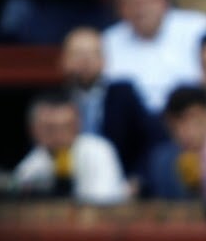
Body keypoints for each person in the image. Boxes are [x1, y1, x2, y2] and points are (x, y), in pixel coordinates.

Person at [101, 0, 206, 112]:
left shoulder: (197, 28)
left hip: (191, 118)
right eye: (131, 1)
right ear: (120, 8)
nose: (140, 8)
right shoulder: (108, 42)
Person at [59, 26, 158, 183]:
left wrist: (138, 180)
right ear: (63, 60)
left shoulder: (124, 95)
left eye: (92, 54)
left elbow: (150, 143)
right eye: (78, 54)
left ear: (104, 59)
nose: (85, 61)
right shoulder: (54, 99)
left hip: (119, 183)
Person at [11, 91, 128, 205]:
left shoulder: (99, 151)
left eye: (66, 127)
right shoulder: (28, 169)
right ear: (34, 130)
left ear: (78, 125)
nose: (59, 136)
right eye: (50, 129)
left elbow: (103, 206)